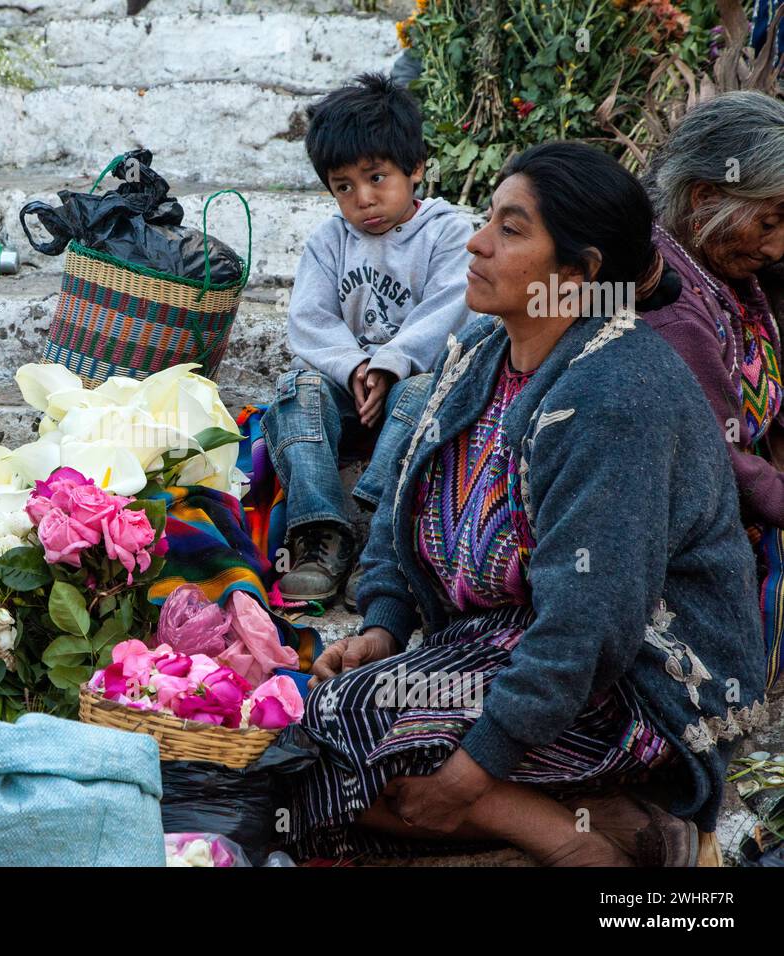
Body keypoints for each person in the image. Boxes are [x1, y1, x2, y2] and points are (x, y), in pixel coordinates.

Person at [288, 142, 767, 867]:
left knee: (352, 736)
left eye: (511, 230)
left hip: (639, 683)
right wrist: (383, 628)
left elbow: (591, 626)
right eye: (488, 222)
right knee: (303, 740)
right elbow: (398, 512)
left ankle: (573, 847)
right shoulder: (479, 353)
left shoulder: (615, 391)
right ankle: (609, 825)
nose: (477, 243)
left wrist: (475, 771)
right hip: (499, 650)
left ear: (578, 274)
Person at [262, 72, 472, 607]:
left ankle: (383, 531)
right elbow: (309, 318)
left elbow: (450, 308)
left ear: (416, 167)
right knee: (295, 392)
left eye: (377, 177)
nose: (364, 200)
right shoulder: (329, 240)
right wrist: (355, 367)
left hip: (412, 383)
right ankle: (321, 533)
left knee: (421, 394)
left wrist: (391, 363)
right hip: (348, 387)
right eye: (344, 187)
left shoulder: (449, 232)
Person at [642, 91, 784, 687]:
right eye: (770, 221)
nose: (777, 246)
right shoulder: (672, 303)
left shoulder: (728, 277)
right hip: (682, 546)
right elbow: (717, 460)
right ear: (704, 199)